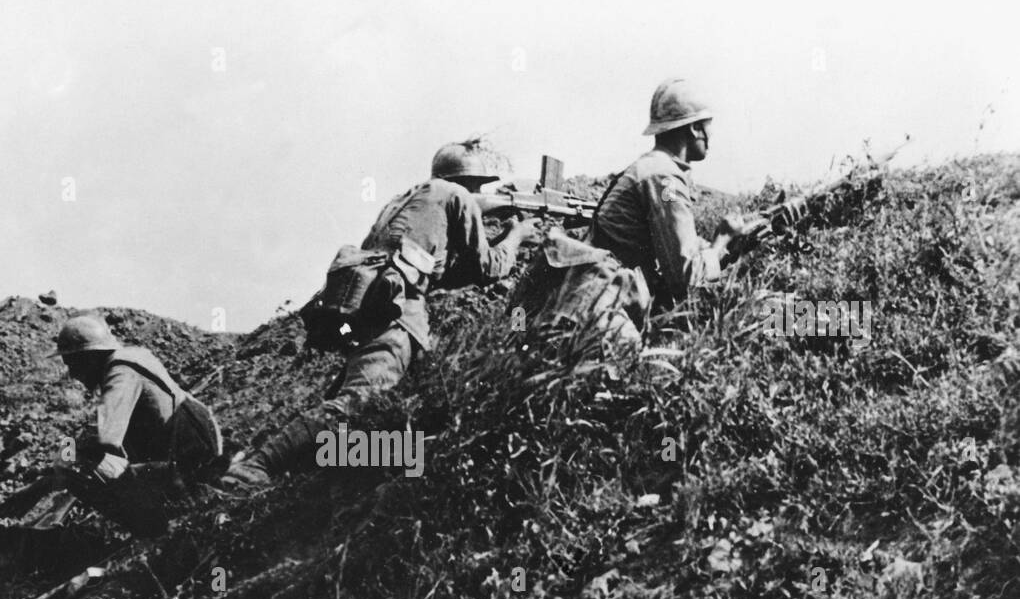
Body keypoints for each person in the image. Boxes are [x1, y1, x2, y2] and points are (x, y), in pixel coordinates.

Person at [221, 140, 541, 488]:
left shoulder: (406, 201)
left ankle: (335, 473)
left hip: (369, 304)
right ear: (472, 183)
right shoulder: (455, 195)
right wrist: (516, 236)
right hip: (394, 312)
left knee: (391, 409)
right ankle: (256, 467)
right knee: (360, 400)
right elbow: (487, 267)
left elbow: (440, 273)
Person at [590, 77, 805, 312]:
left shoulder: (655, 169)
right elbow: (686, 281)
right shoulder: (665, 180)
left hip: (605, 297)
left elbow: (686, 253)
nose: (711, 135)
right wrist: (721, 240)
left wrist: (748, 231)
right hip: (608, 311)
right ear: (694, 128)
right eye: (708, 125)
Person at [49, 314, 221, 535]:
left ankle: (153, 530)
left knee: (76, 465)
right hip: (191, 456)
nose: (73, 374)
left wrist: (57, 469)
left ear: (90, 356)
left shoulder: (120, 371)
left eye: (73, 364)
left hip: (189, 466)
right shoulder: (132, 358)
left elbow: (107, 439)